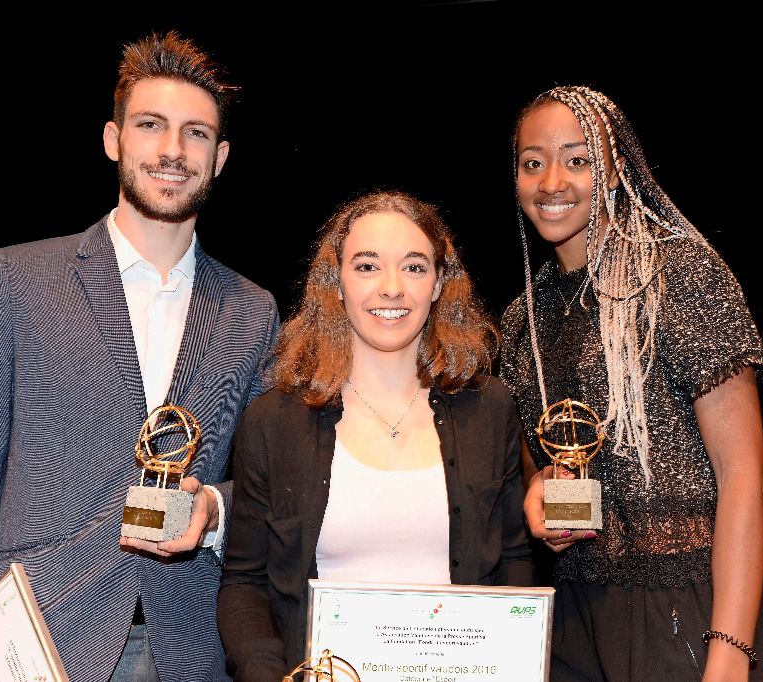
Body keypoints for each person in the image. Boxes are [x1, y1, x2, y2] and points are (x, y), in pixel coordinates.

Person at [0, 32, 279, 682]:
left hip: (194, 650)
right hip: (40, 641)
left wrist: (212, 507)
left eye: (196, 133)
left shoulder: (251, 310)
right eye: (151, 126)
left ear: (222, 156)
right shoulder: (17, 280)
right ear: (113, 139)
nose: (174, 151)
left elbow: (271, 492)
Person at [500, 85, 763, 681]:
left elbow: (743, 475)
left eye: (578, 159)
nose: (552, 181)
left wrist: (729, 648)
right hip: (576, 616)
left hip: (691, 610)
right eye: (532, 162)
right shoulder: (524, 316)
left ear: (617, 169)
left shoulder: (678, 275)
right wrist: (540, 495)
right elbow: (542, 460)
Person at [217, 190, 533, 681]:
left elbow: (513, 561)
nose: (392, 288)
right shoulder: (273, 422)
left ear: (438, 283)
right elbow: (245, 584)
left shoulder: (490, 410)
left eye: (413, 267)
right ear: (336, 283)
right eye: (367, 266)